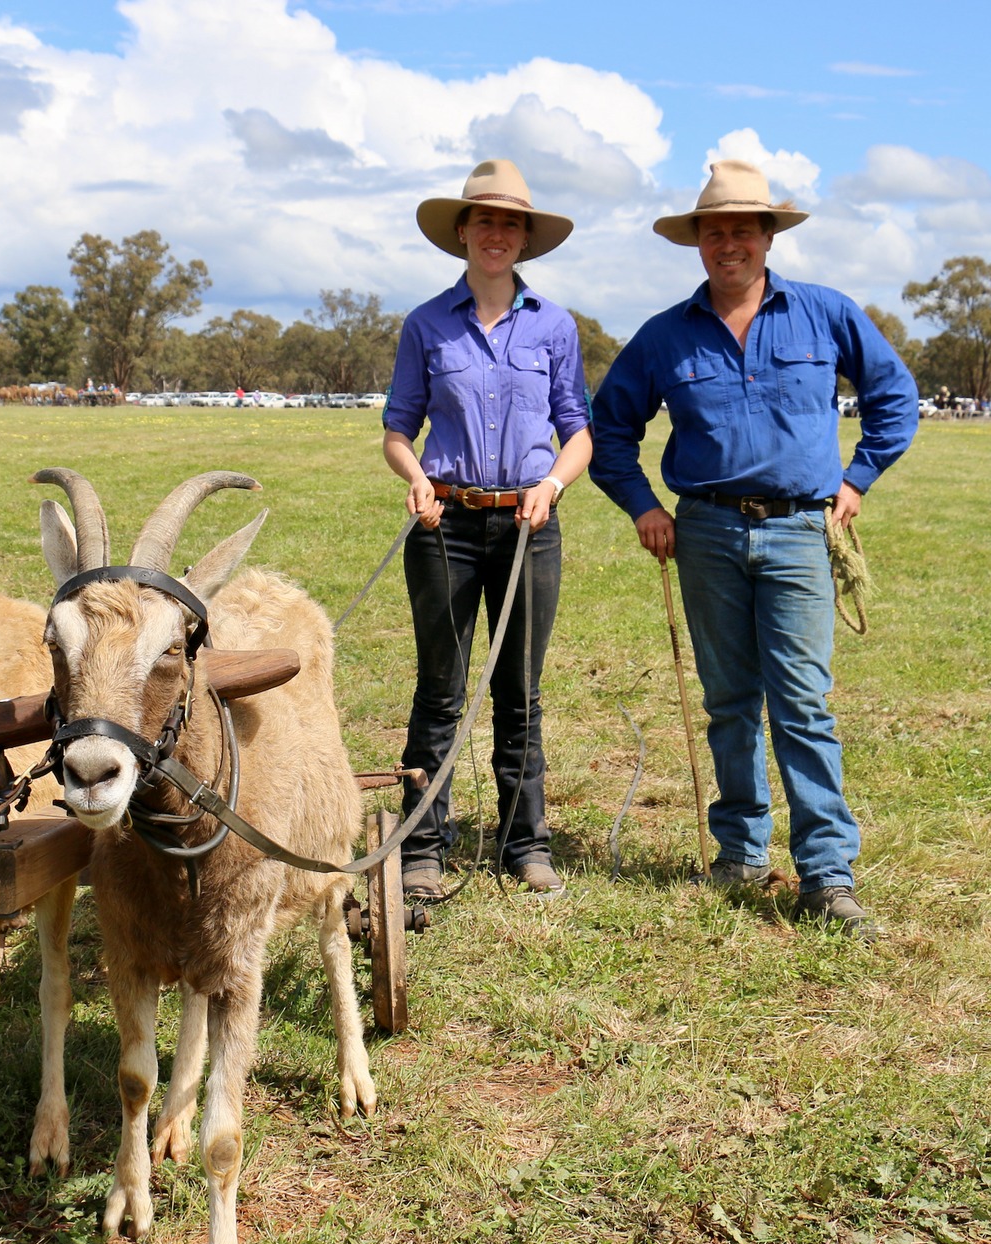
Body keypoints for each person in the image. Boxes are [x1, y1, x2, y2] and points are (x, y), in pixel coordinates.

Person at [587, 160, 918, 933]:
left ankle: (827, 876)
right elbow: (609, 431)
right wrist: (643, 505)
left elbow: (895, 397)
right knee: (730, 702)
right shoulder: (664, 336)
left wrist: (859, 476)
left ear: (768, 237)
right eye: (713, 232)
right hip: (703, 531)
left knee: (801, 701)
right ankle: (738, 852)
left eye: (742, 229)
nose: (727, 243)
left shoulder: (825, 314)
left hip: (803, 529)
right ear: (697, 243)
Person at [381, 159, 594, 899]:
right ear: (463, 232)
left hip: (529, 527)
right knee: (440, 690)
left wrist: (553, 484)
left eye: (510, 223)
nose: (496, 234)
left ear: (524, 238)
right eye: (484, 220)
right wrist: (414, 478)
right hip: (445, 526)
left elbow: (579, 431)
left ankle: (524, 844)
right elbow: (398, 429)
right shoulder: (427, 325)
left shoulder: (555, 326)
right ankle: (421, 849)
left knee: (519, 691)